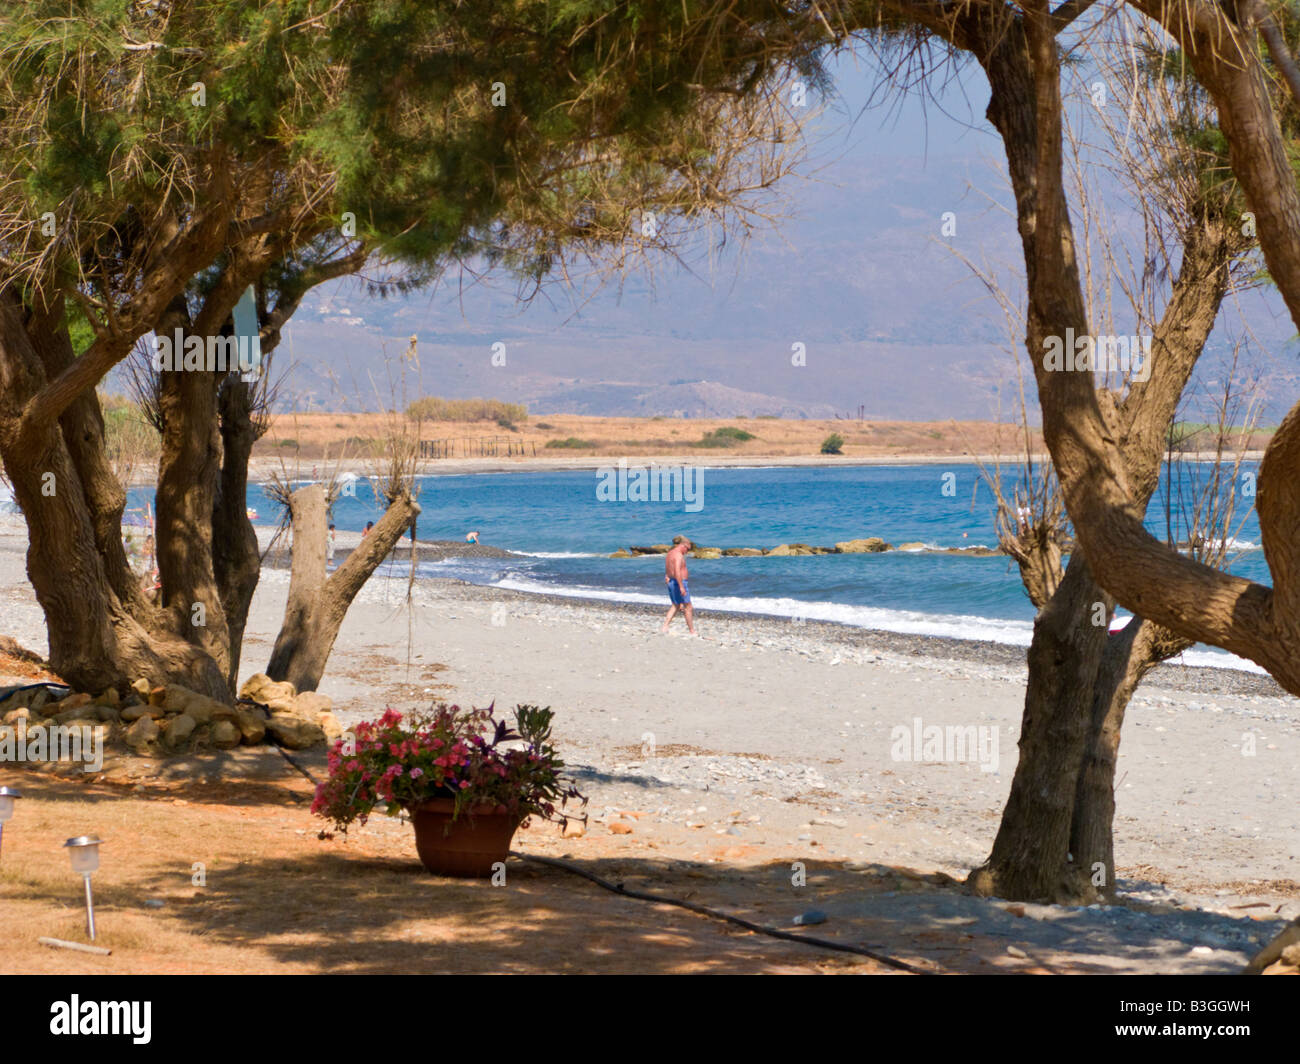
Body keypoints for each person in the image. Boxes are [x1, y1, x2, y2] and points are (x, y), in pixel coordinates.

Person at [660, 535, 697, 635]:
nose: (687, 552)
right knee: (688, 607)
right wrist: (681, 586)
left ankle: (665, 626)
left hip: (671, 581)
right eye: (688, 549)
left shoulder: (670, 553)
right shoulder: (678, 555)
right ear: (684, 545)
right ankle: (692, 631)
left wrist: (667, 576)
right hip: (679, 582)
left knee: (675, 605)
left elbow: (668, 566)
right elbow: (677, 570)